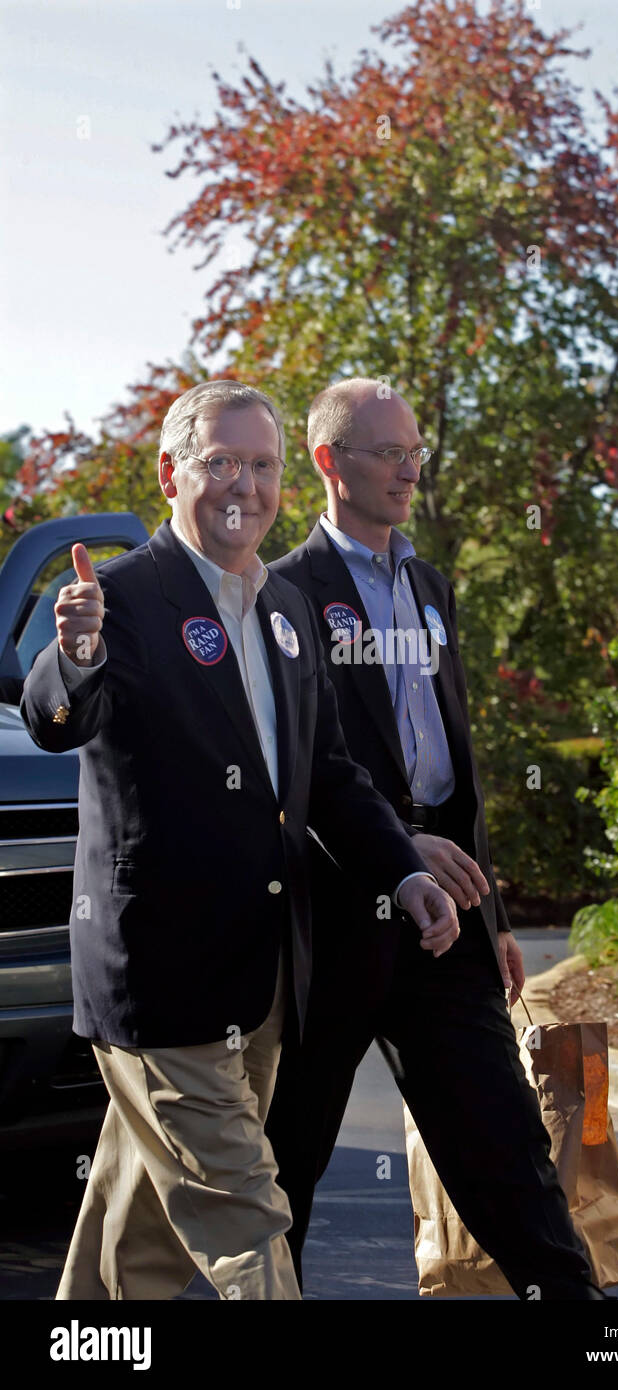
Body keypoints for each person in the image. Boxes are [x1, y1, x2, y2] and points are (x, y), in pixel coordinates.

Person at [20, 379, 458, 1301]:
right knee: (245, 1213)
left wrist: (402, 867)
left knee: (133, 1240)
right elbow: (60, 716)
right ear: (172, 472)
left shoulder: (286, 609)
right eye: (221, 462)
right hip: (161, 985)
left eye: (261, 465)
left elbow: (328, 774)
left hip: (260, 981)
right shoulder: (125, 599)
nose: (244, 486)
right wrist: (78, 655)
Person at [265, 377, 611, 1300]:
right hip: (332, 923)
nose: (409, 470)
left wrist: (493, 912)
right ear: (330, 462)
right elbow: (292, 773)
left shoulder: (429, 587)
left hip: (447, 920)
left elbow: (454, 766)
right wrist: (392, 847)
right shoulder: (282, 594)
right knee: (284, 1172)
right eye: (388, 452)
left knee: (508, 1156)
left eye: (416, 451)